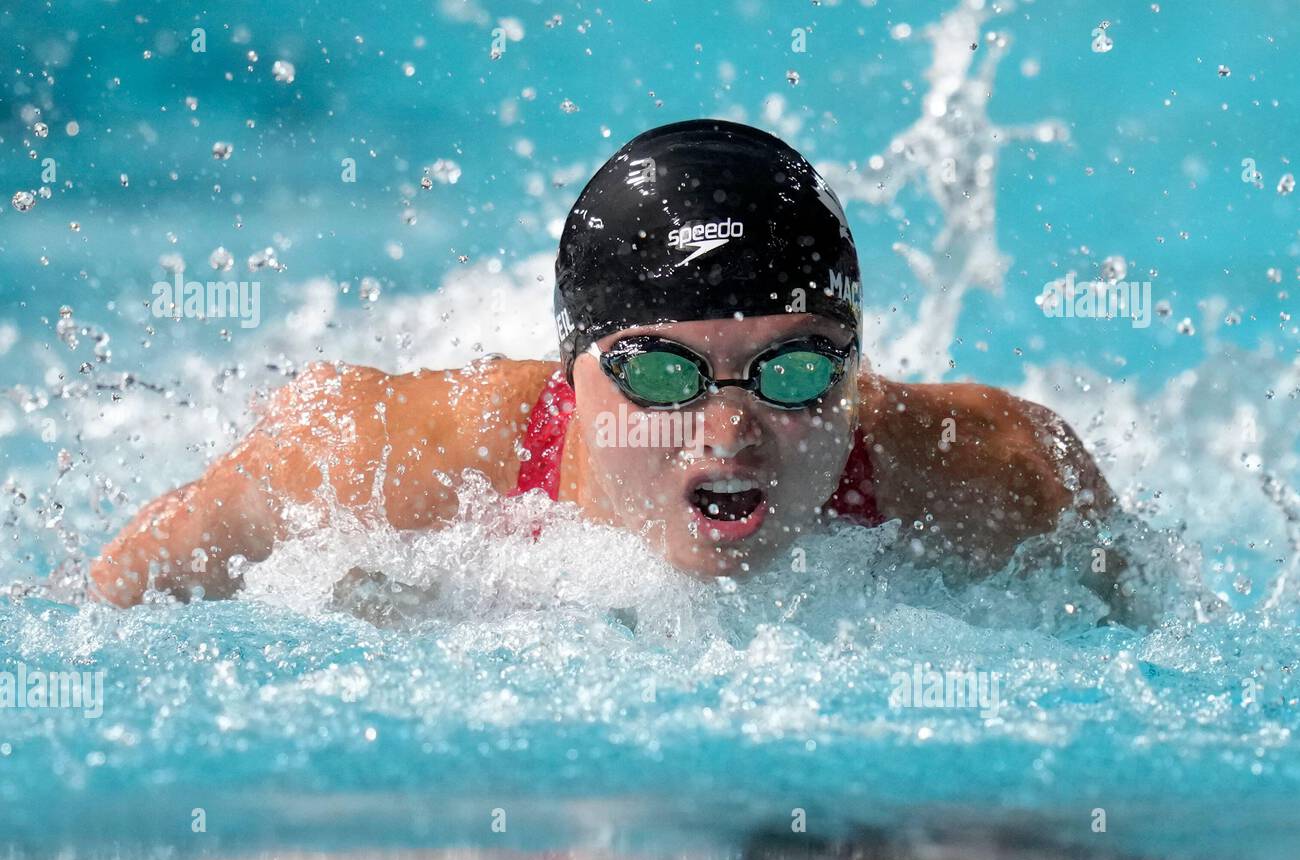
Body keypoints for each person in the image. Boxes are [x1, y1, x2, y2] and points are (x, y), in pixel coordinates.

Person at [90, 119, 1124, 611]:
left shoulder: (1003, 475)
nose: (729, 433)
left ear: (856, 369)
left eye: (794, 372)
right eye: (665, 374)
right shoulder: (377, 454)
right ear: (571, 376)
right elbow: (107, 606)